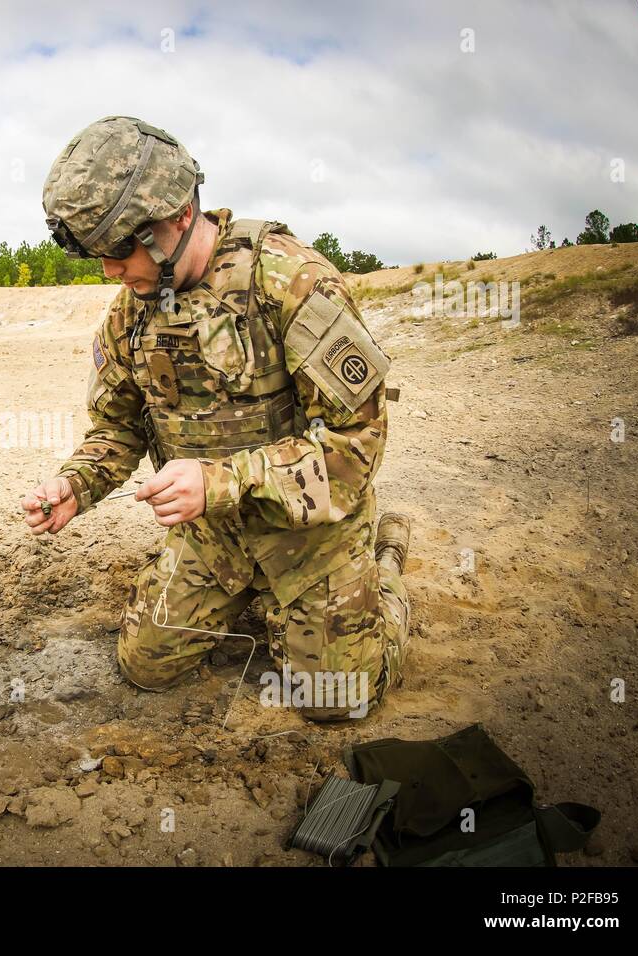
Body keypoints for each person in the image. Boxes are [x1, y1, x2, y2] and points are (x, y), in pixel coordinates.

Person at [22, 115, 412, 721]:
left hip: (309, 534)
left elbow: (355, 446)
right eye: (100, 254)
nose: (110, 272)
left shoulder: (291, 283)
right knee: (145, 666)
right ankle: (248, 593)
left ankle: (384, 560)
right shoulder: (131, 316)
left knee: (337, 702)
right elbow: (119, 426)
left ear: (177, 216)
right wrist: (77, 483)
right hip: (214, 535)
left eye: (122, 250)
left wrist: (220, 483)